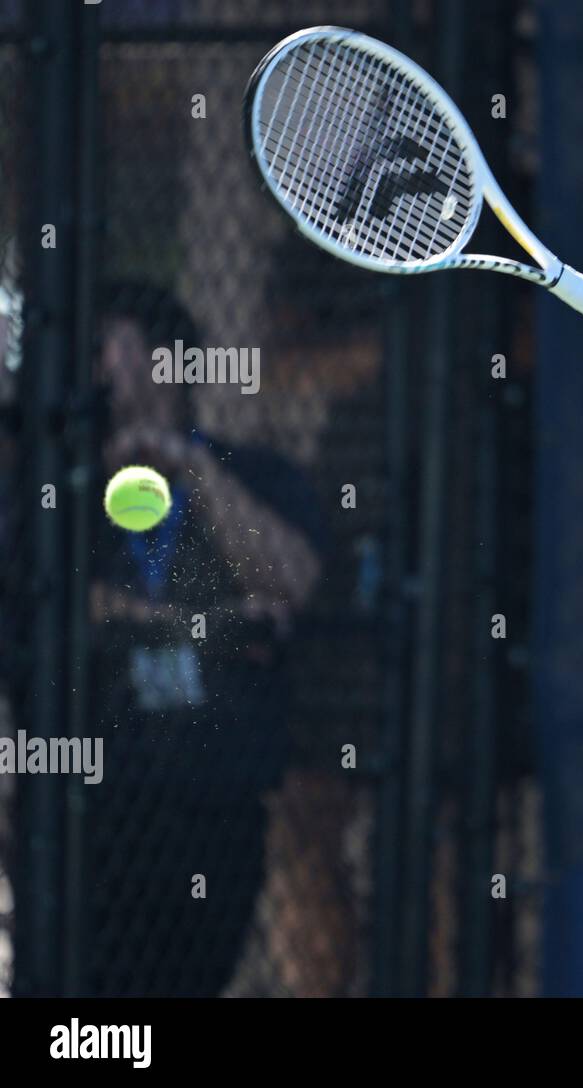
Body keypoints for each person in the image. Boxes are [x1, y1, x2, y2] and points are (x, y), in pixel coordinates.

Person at [84, 281, 324, 996]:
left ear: (166, 363)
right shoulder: (57, 490)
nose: (90, 366)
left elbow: (290, 585)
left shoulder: (251, 475)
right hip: (92, 802)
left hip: (212, 803)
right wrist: (208, 624)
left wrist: (190, 467)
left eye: (106, 345)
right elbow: (66, 611)